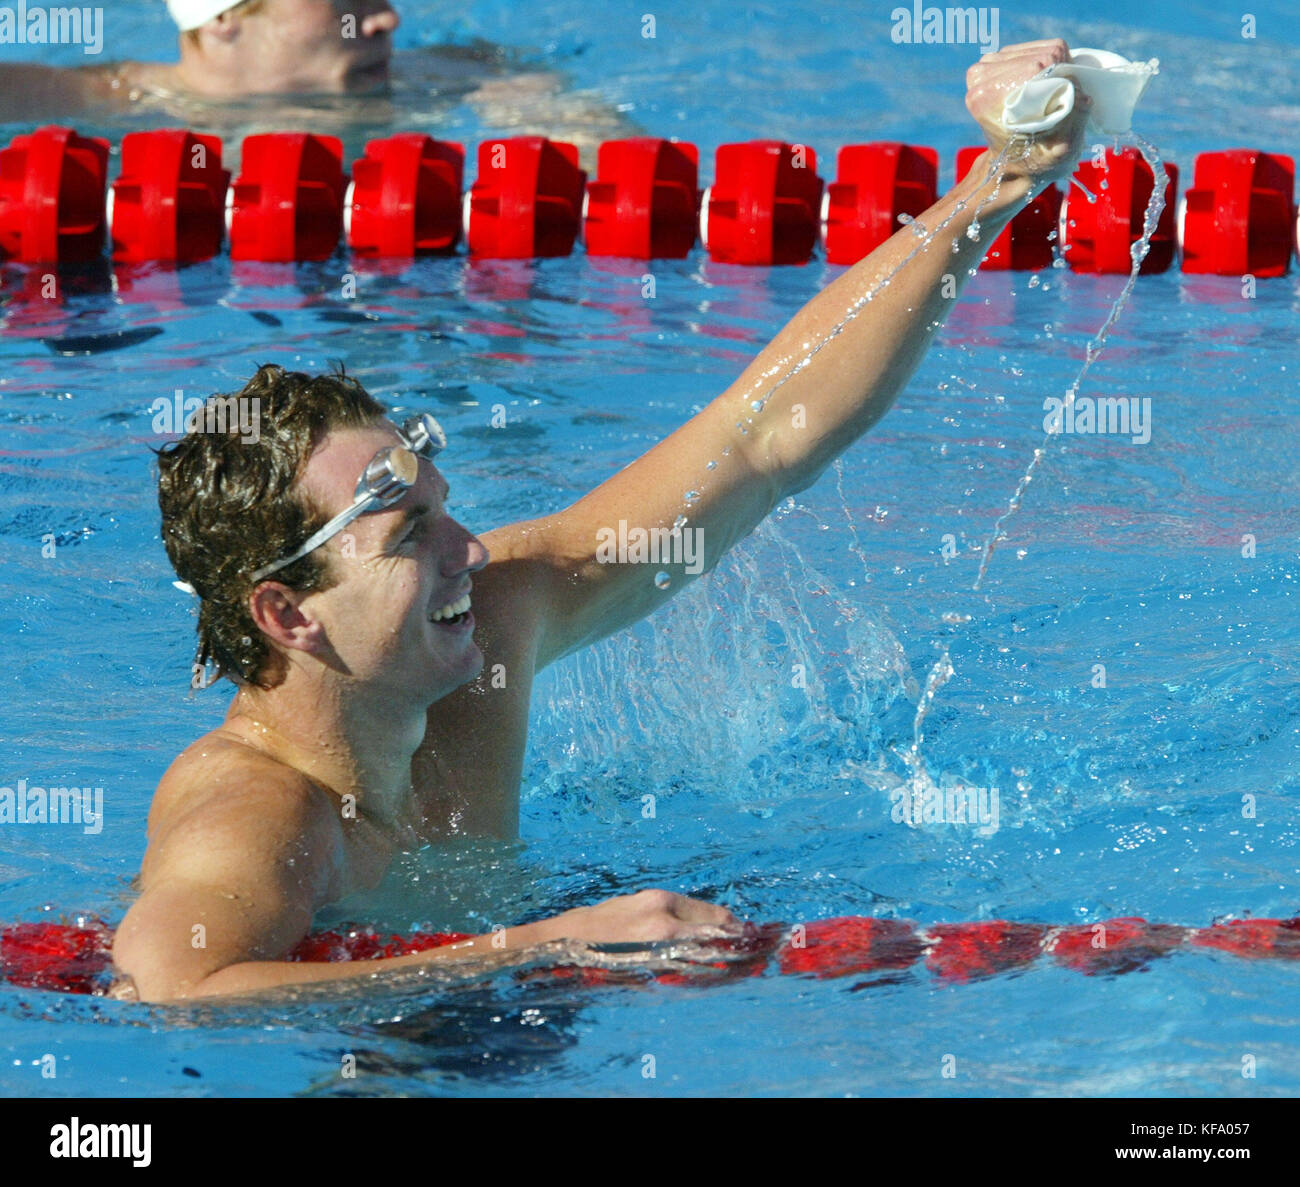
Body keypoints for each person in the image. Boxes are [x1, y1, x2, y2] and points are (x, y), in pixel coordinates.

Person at [109, 39, 1089, 1002]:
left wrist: (997, 183)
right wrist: (539, 943)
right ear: (285, 613)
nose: (473, 552)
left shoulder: (487, 615)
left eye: (444, 511)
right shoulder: (253, 808)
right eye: (410, 536)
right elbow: (170, 985)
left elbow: (757, 438)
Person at [0, 0, 635, 166]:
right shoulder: (105, 103)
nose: (388, 19)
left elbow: (621, 167)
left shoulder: (464, 77)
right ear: (223, 17)